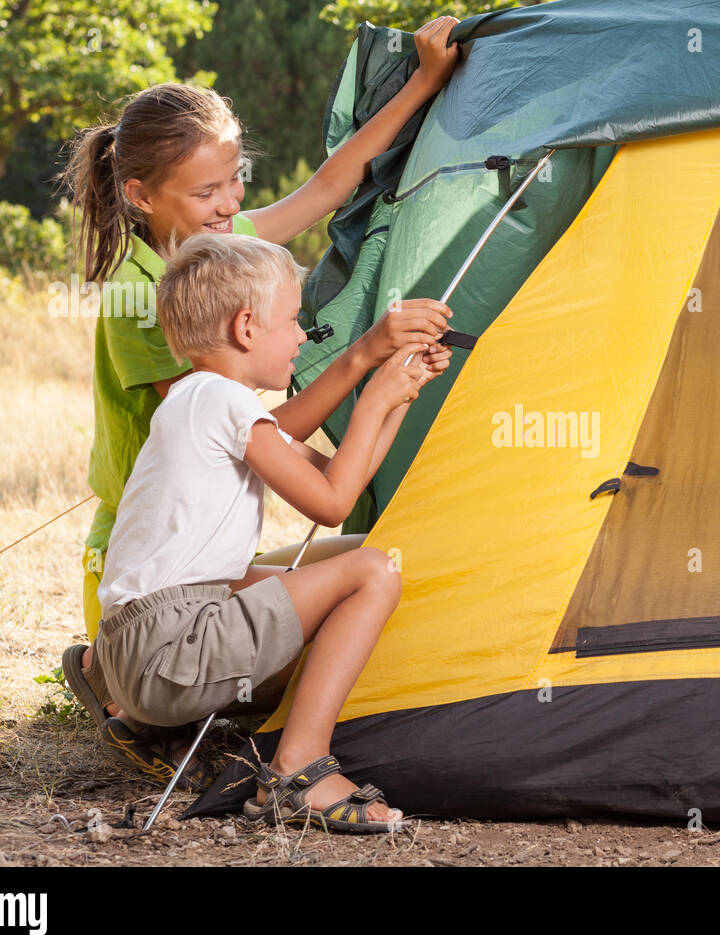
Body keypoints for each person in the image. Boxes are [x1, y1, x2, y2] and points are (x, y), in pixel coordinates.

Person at [57, 17, 461, 781]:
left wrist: (424, 83)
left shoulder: (224, 254)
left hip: (189, 564)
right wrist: (370, 371)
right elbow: (271, 436)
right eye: (207, 191)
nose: (228, 202)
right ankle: (268, 750)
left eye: (234, 181)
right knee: (356, 577)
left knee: (360, 565)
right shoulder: (146, 303)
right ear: (139, 194)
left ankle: (132, 686)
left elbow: (330, 186)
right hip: (149, 568)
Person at [83, 232, 446, 831]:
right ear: (248, 327)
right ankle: (298, 769)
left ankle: (134, 708)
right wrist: (373, 398)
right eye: (295, 319)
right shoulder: (225, 403)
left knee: (358, 555)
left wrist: (394, 389)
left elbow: (333, 473)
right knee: (372, 574)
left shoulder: (200, 400)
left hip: (136, 646)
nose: (303, 336)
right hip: (173, 648)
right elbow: (332, 502)